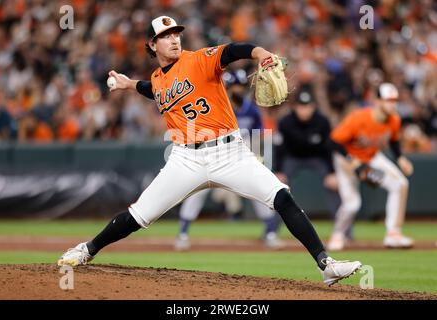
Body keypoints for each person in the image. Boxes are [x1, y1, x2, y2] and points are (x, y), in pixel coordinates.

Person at [57, 15, 361, 286]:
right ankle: (87, 250)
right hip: (185, 158)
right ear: (152, 44)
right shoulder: (157, 79)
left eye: (176, 33)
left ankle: (326, 265)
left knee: (281, 196)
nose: (174, 38)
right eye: (165, 35)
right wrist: (128, 84)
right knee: (138, 216)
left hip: (230, 153)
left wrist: (262, 54)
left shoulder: (200, 58)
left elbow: (233, 50)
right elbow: (153, 89)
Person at [175, 69, 283, 251]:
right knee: (196, 192)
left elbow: (257, 137)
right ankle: (183, 234)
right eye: (234, 86)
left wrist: (255, 158)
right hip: (214, 154)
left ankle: (270, 232)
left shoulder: (251, 110)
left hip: (240, 156)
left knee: (259, 189)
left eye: (240, 86)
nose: (238, 90)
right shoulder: (215, 106)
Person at [327, 83, 414, 251]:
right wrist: (353, 162)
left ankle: (393, 234)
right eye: (388, 100)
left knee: (400, 184)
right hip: (346, 160)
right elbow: (333, 142)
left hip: (372, 157)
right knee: (352, 204)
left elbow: (394, 140)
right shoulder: (358, 118)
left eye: (395, 100)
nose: (392, 104)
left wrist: (400, 158)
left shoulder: (394, 120)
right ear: (377, 101)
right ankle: (338, 234)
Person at [273, 86, 342, 220]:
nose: (304, 110)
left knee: (334, 185)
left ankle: (343, 232)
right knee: (278, 188)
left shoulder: (322, 122)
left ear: (313, 107)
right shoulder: (285, 122)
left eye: (307, 106)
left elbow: (328, 148)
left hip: (317, 158)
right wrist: (278, 170)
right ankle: (270, 231)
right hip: (292, 158)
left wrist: (332, 172)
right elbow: (279, 148)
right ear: (295, 107)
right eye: (301, 106)